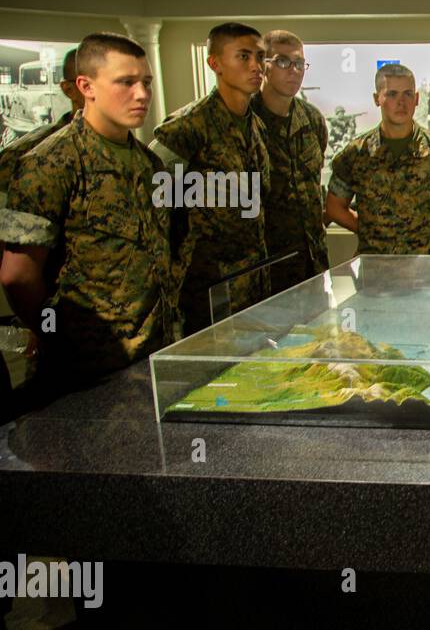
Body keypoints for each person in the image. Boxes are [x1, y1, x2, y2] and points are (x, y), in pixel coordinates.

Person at [0, 32, 185, 385]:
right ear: (86, 86)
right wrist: (53, 333)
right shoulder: (49, 164)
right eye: (126, 83)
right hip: (86, 368)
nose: (142, 94)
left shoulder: (148, 164)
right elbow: (17, 275)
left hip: (150, 355)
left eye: (145, 82)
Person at [150, 22, 270, 334]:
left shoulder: (254, 125)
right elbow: (153, 209)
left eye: (260, 57)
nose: (256, 66)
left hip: (251, 279)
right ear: (214, 63)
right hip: (205, 287)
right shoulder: (186, 129)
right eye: (243, 57)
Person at [325, 63, 430, 254]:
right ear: (377, 99)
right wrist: (370, 232)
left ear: (417, 98)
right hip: (375, 265)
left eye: (408, 94)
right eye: (392, 94)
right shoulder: (356, 153)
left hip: (427, 266)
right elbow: (334, 207)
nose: (401, 102)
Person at [251, 30, 330, 291]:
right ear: (264, 66)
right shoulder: (245, 120)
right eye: (283, 62)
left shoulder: (312, 120)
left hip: (311, 262)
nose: (293, 71)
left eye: (299, 63)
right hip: (264, 269)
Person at [0, 49, 84, 208]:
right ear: (69, 89)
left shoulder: (138, 153)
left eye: (144, 82)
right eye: (121, 83)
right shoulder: (28, 153)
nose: (139, 94)